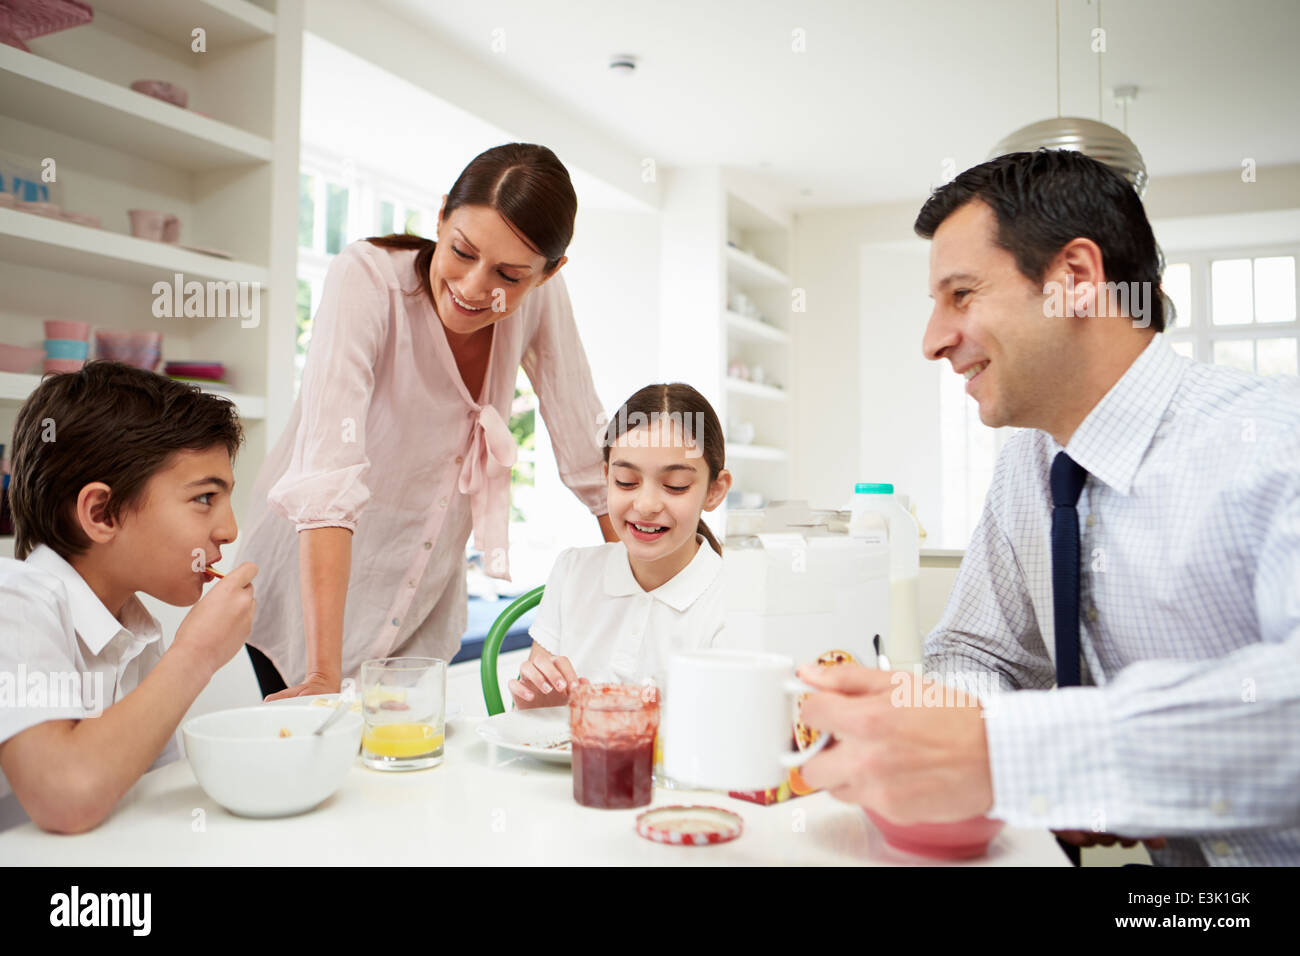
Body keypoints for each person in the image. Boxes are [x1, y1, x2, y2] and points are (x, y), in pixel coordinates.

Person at [797, 149, 1300, 866]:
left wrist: (1009, 752)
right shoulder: (1030, 464)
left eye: (961, 294)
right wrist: (952, 732)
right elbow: (977, 649)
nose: (933, 340)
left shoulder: (1278, 437)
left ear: (1074, 279)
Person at [237, 144, 617, 700]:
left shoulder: (541, 299)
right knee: (317, 762)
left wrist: (650, 586)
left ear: (548, 273)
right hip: (306, 593)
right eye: (461, 251)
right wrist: (321, 674)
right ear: (441, 216)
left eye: (509, 276)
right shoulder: (367, 279)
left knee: (403, 770)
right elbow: (327, 473)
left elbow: (587, 451)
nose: (471, 287)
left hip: (420, 589)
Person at [0, 362, 258, 833]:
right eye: (204, 498)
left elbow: (150, 795)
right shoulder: (12, 601)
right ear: (102, 513)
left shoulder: (133, 630)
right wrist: (198, 653)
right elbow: (66, 795)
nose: (229, 530)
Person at [510, 384, 732, 707]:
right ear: (606, 476)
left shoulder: (734, 601)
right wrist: (539, 707)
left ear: (714, 491)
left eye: (675, 486)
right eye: (626, 481)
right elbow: (535, 714)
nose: (645, 505)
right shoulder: (573, 572)